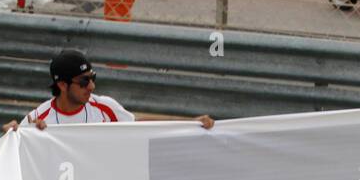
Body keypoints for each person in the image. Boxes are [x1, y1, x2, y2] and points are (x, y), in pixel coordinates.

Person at [16, 49, 213, 129]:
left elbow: (139, 123)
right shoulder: (38, 118)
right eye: (84, 82)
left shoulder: (104, 107)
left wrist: (190, 122)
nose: (91, 86)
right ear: (62, 85)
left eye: (93, 79)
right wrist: (13, 131)